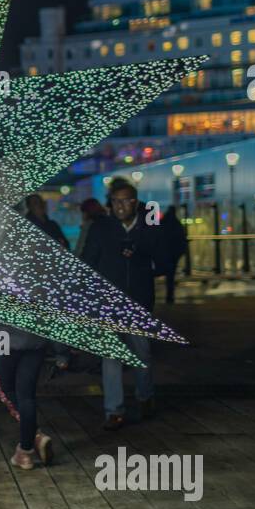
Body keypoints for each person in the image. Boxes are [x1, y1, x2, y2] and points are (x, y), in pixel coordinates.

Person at [82, 181, 162, 431]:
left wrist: (138, 253)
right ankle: (114, 410)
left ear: (135, 202)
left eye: (126, 200)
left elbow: (163, 254)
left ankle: (144, 396)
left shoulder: (148, 227)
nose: (120, 206)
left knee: (142, 354)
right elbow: (88, 262)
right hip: (109, 304)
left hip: (139, 302)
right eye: (116, 200)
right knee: (111, 357)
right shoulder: (101, 228)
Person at [0, 320, 54, 469]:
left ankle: (34, 437)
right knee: (27, 396)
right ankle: (26, 450)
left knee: (7, 388)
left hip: (3, 337)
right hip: (35, 337)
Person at [156, 205, 188, 304]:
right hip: (173, 255)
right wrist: (179, 253)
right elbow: (182, 241)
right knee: (171, 276)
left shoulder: (162, 224)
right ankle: (170, 295)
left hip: (163, 254)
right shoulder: (177, 225)